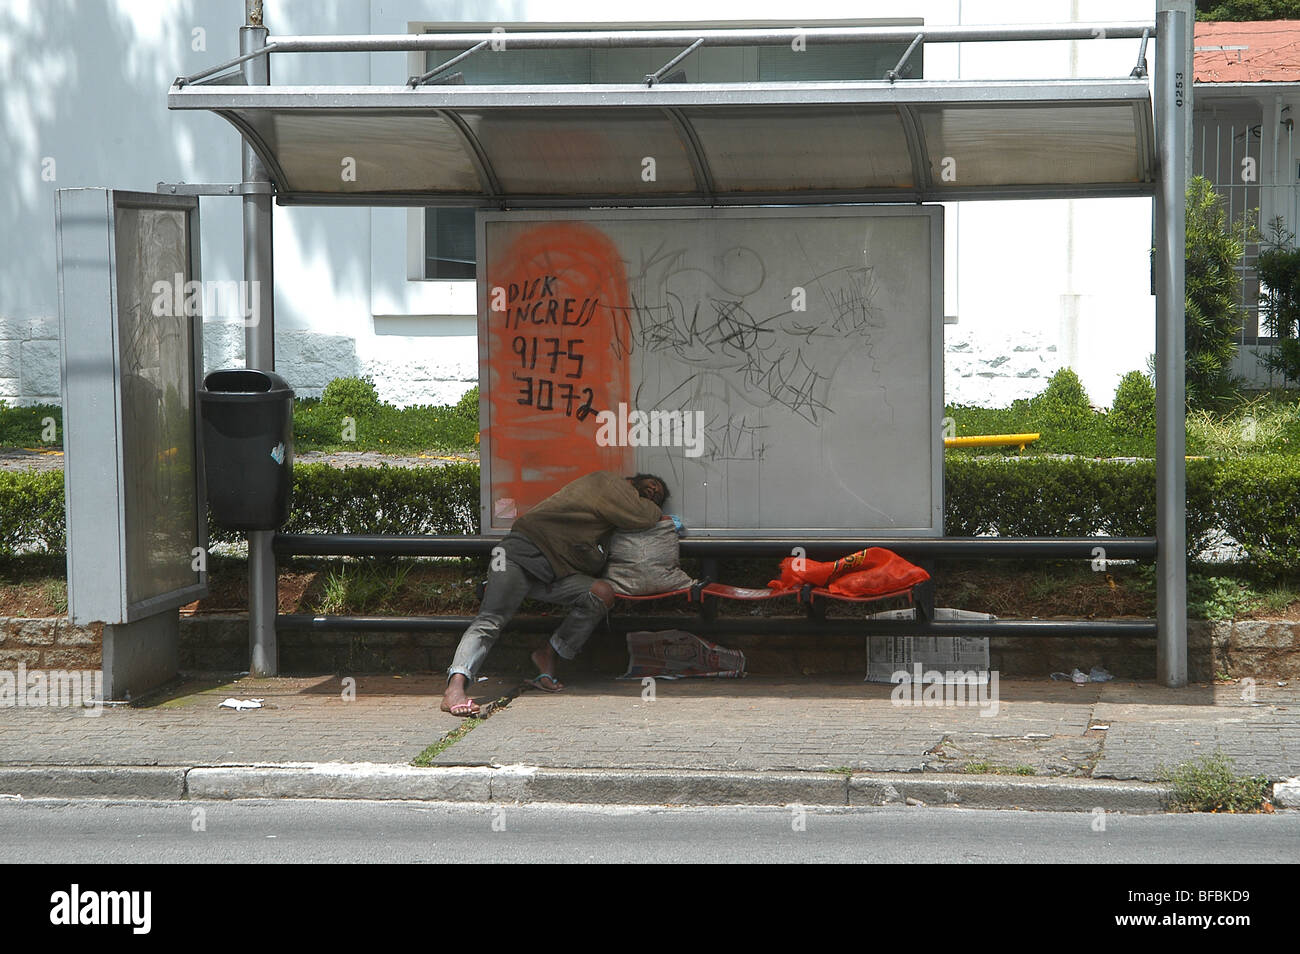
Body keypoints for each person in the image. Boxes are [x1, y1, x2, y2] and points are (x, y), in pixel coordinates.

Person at [441, 471, 669, 716]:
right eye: (654, 485)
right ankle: (455, 688)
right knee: (490, 620)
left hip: (553, 570)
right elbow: (642, 516)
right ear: (633, 480)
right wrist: (656, 510)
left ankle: (547, 654)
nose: (654, 492)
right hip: (518, 556)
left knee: (600, 594)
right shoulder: (612, 483)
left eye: (659, 496)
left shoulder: (605, 516)